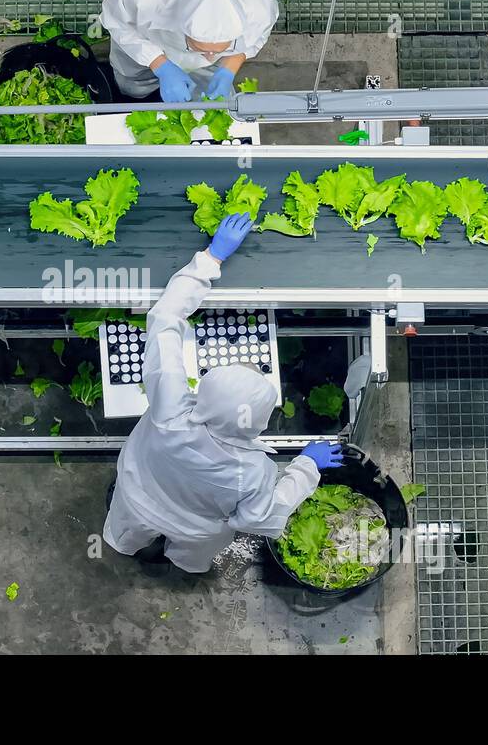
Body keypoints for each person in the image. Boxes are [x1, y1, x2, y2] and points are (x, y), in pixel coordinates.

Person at [103, 213, 344, 574]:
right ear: (258, 423)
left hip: (137, 496)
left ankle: (124, 544)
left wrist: (211, 259)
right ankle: (182, 564)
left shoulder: (170, 407)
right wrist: (307, 466)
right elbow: (261, 518)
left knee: (127, 529)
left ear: (204, 392)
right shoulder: (252, 470)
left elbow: (165, 320)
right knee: (192, 553)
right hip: (195, 531)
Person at [100, 0, 280, 103]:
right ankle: (135, 93)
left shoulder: (258, 6)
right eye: (199, 49)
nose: (210, 57)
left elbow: (256, 38)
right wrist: (160, 65)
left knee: (206, 81)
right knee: (133, 81)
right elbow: (116, 21)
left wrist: (228, 68)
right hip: (150, 35)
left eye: (218, 50)